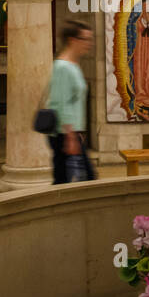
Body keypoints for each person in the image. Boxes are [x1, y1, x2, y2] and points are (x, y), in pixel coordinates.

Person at [47, 20, 96, 183]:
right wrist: (71, 137)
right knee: (83, 178)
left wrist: (77, 132)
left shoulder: (73, 65)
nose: (89, 44)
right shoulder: (63, 67)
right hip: (63, 134)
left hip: (70, 132)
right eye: (86, 39)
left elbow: (74, 102)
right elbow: (62, 103)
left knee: (64, 178)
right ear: (73, 40)